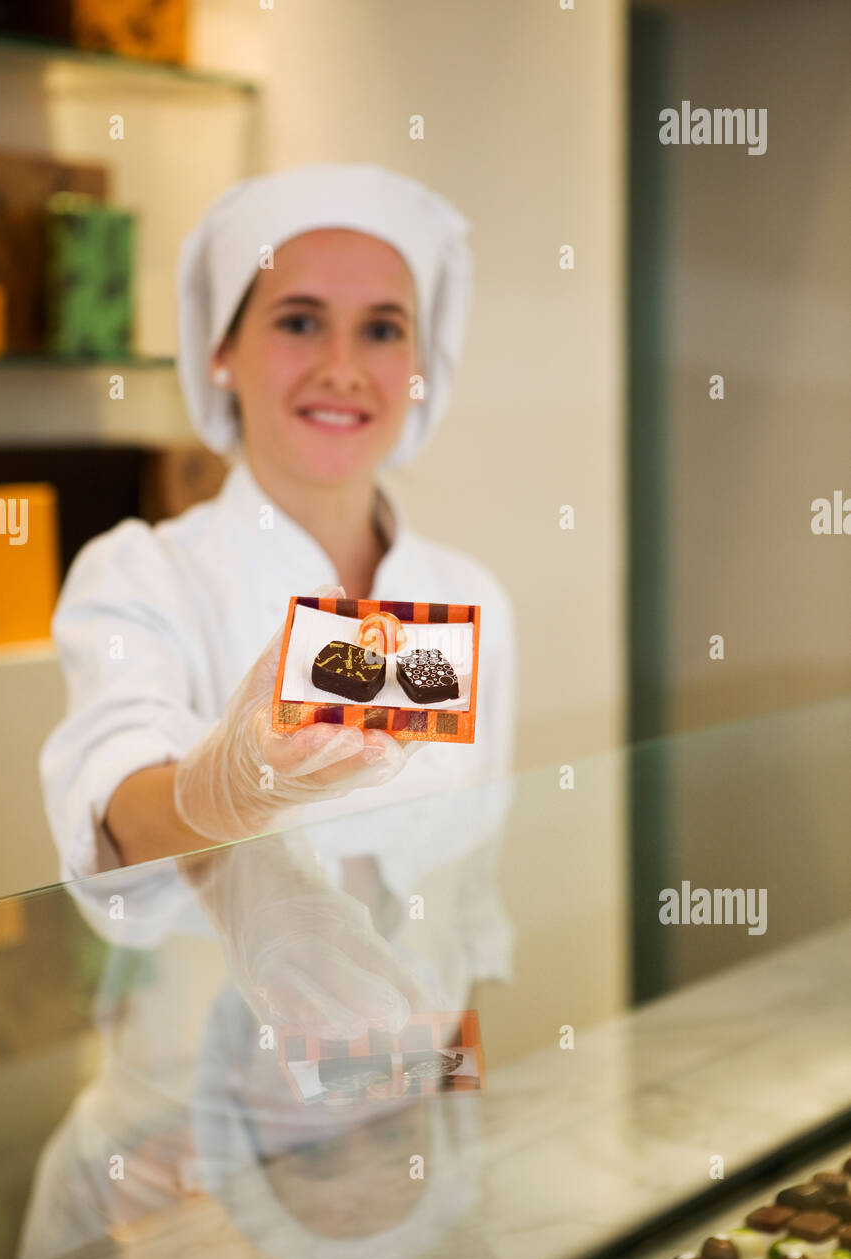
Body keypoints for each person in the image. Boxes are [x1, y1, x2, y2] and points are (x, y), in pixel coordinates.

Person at [39, 162, 516, 884]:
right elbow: (114, 820)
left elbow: (474, 893)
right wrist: (225, 786)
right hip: (203, 1000)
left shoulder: (472, 596)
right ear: (222, 354)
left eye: (383, 330)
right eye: (300, 321)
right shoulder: (140, 575)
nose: (343, 369)